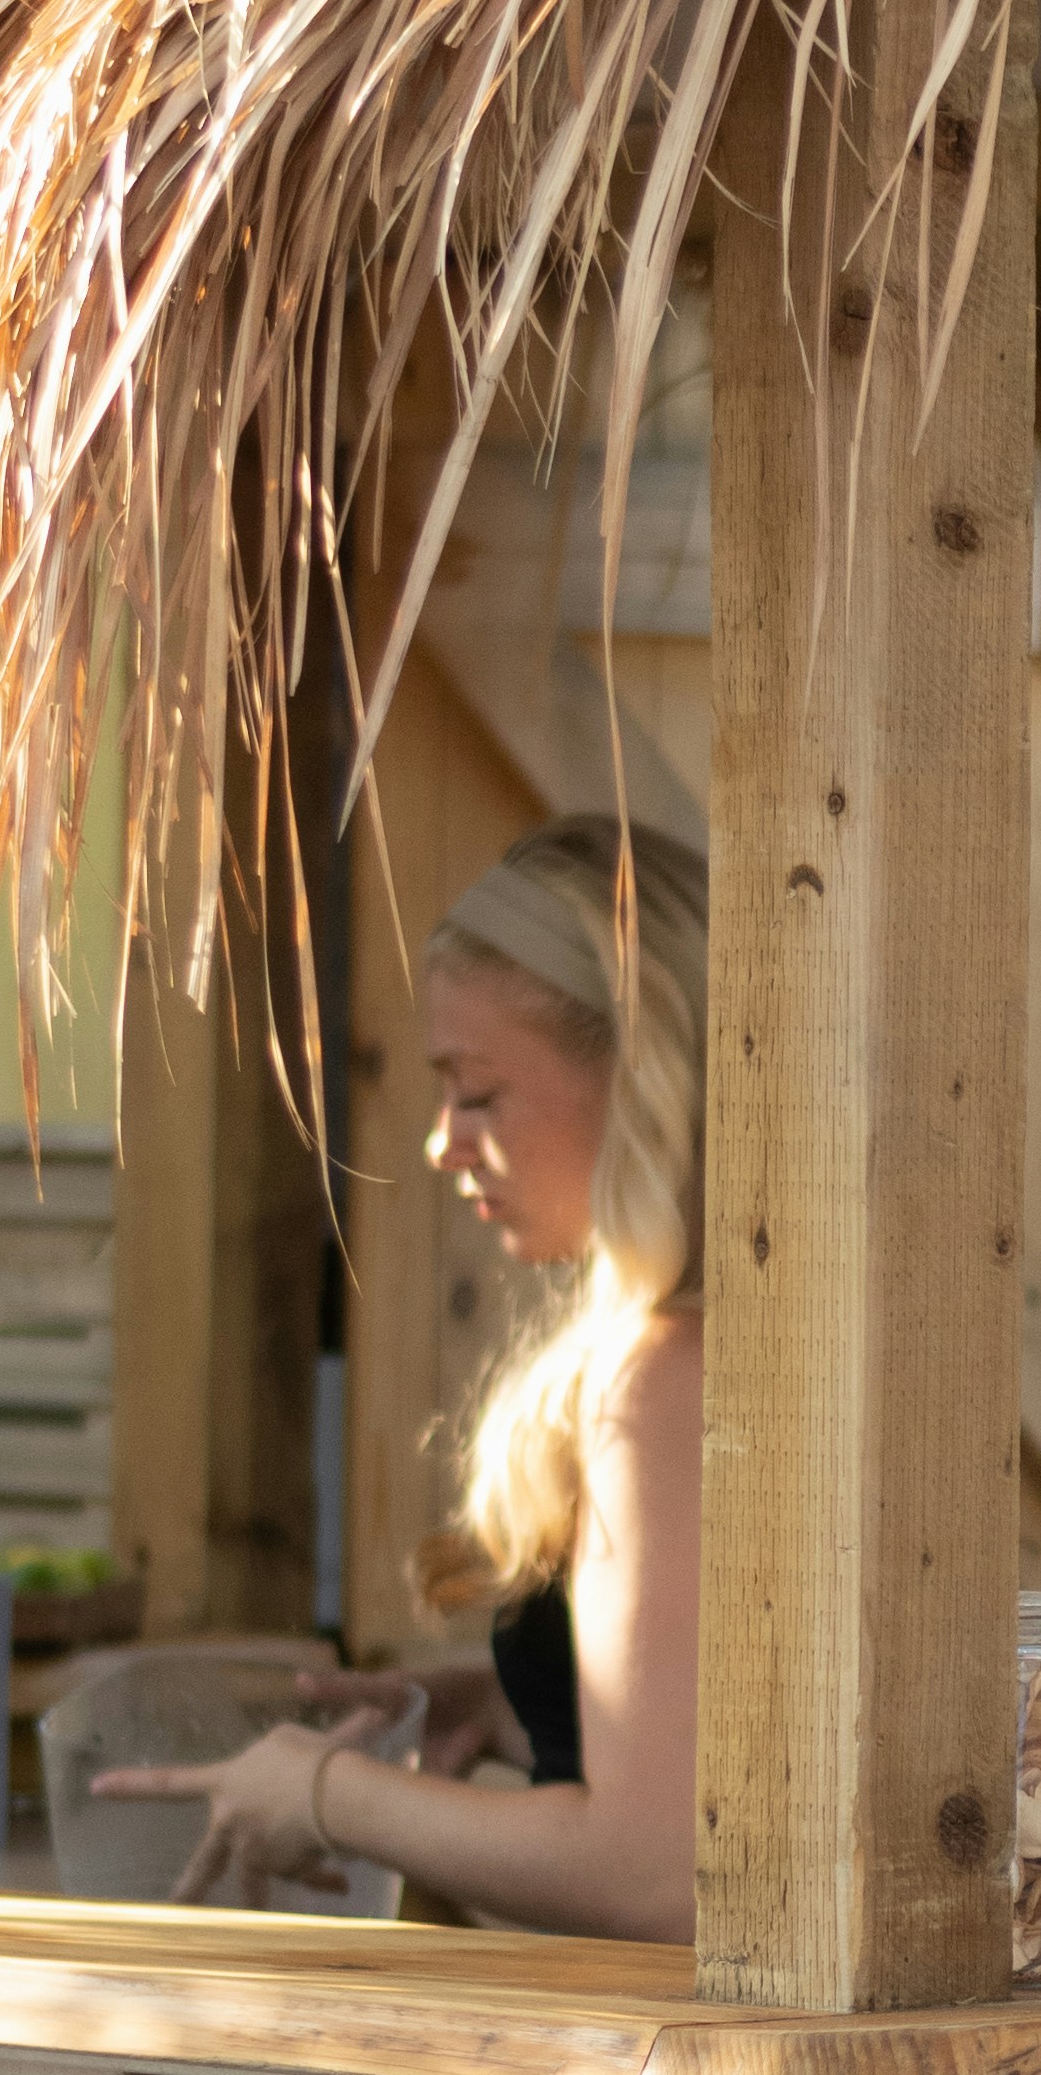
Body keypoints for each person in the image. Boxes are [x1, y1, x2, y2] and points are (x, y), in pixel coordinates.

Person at [171, 819, 704, 1933]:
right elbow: (734, 1770)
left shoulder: (661, 1384)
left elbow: (652, 1874)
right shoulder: (726, 1354)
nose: (439, 1144)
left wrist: (326, 1793)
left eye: (475, 1092)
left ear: (640, 1075)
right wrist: (517, 1715)